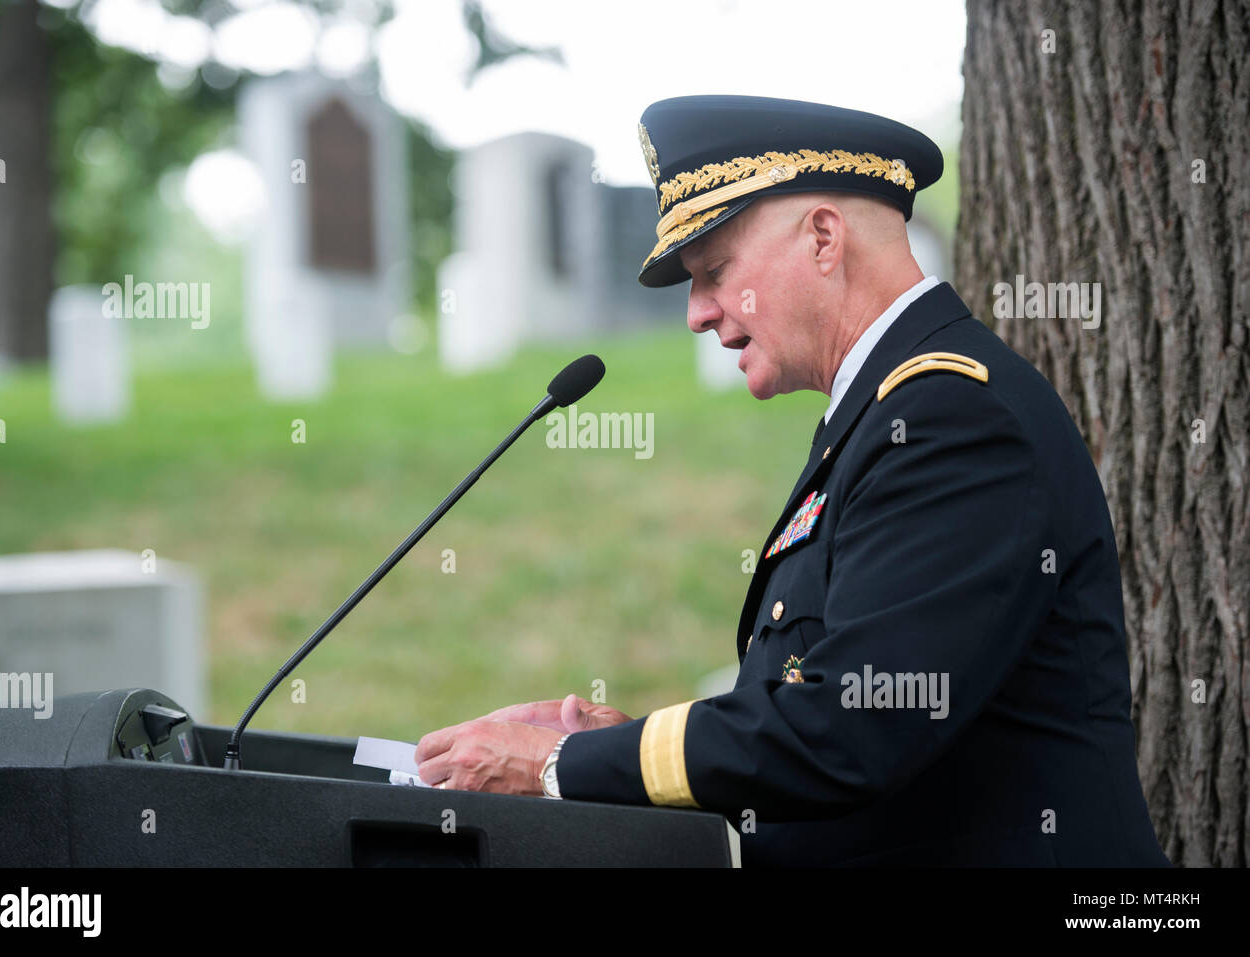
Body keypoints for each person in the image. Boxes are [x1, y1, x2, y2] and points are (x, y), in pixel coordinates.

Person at [416, 95, 1169, 867]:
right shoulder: (886, 413)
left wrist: (553, 767)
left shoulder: (952, 419)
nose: (697, 315)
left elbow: (855, 725)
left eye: (713, 272)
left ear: (821, 238)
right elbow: (821, 709)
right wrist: (621, 750)